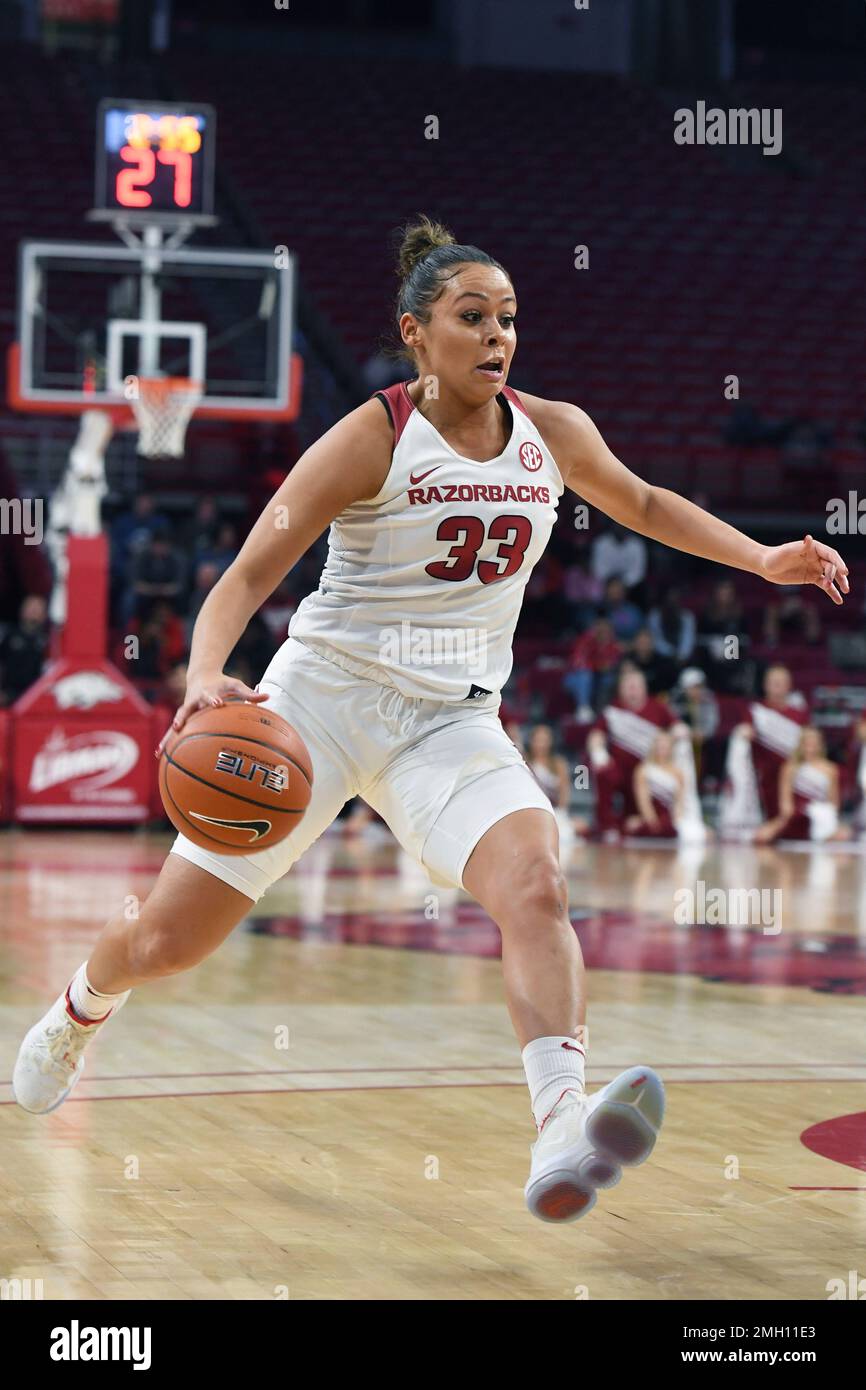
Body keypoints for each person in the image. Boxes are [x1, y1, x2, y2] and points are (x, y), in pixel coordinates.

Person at [14, 216, 849, 1227]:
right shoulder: (372, 434)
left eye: (507, 319)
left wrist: (760, 558)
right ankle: (78, 1008)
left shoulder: (554, 431)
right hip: (316, 709)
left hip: (448, 723)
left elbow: (642, 500)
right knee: (165, 943)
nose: (497, 336)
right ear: (416, 331)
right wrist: (200, 674)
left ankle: (559, 1126)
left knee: (535, 882)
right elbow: (245, 576)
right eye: (471, 317)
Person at [754, 727, 850, 844]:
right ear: (801, 745)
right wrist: (780, 822)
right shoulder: (790, 767)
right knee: (761, 836)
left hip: (821, 816)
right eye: (807, 744)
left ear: (820, 745)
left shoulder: (830, 769)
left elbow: (833, 803)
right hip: (797, 816)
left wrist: (831, 822)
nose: (810, 749)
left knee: (844, 835)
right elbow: (786, 805)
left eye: (814, 744)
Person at [624, 731, 684, 839]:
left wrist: (676, 820)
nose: (662, 749)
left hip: (670, 817)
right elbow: (643, 800)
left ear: (671, 749)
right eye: (660, 746)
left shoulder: (678, 772)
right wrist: (652, 821)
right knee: (646, 829)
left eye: (665, 746)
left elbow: (679, 801)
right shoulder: (643, 770)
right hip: (652, 817)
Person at [563, 615, 621, 722]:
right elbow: (579, 664)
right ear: (595, 630)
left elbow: (611, 665)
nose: (604, 633)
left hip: (597, 678)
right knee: (585, 675)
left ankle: (602, 710)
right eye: (600, 630)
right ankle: (583, 708)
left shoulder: (612, 644)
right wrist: (598, 665)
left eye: (606, 631)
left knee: (609, 679)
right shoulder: (586, 640)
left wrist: (601, 665)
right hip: (575, 679)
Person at [0, 594, 50, 705]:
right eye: (30, 607)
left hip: (39, 695)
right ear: (22, 610)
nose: (33, 611)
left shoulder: (50, 640)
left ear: (44, 614)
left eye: (37, 608)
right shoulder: (9, 635)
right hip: (10, 694)